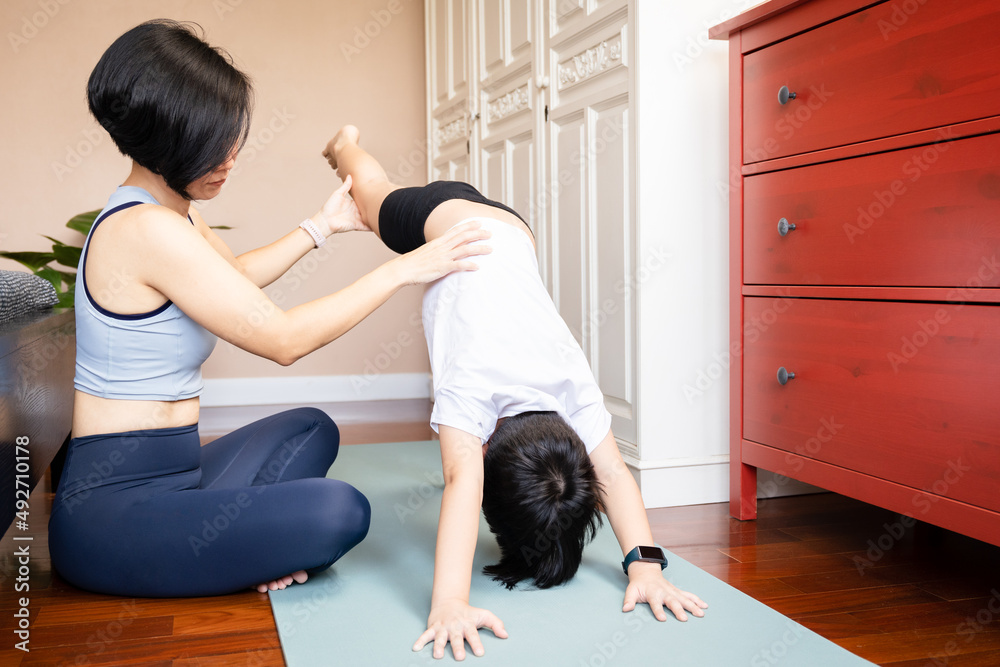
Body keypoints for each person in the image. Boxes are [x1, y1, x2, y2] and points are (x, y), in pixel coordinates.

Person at [48, 20, 490, 598]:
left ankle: (242, 541)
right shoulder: (143, 229)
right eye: (212, 143)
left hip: (180, 475)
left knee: (312, 427)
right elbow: (282, 340)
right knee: (341, 512)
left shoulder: (167, 210)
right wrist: (405, 269)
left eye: (230, 138)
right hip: (112, 513)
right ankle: (247, 543)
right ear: (167, 139)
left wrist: (322, 226)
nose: (230, 156)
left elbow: (231, 278)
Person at [323, 125, 708, 660]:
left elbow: (613, 474)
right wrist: (449, 602)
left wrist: (646, 564)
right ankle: (343, 144)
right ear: (487, 459)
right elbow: (461, 479)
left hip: (513, 232)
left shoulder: (574, 389)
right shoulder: (472, 392)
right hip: (446, 220)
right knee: (371, 202)